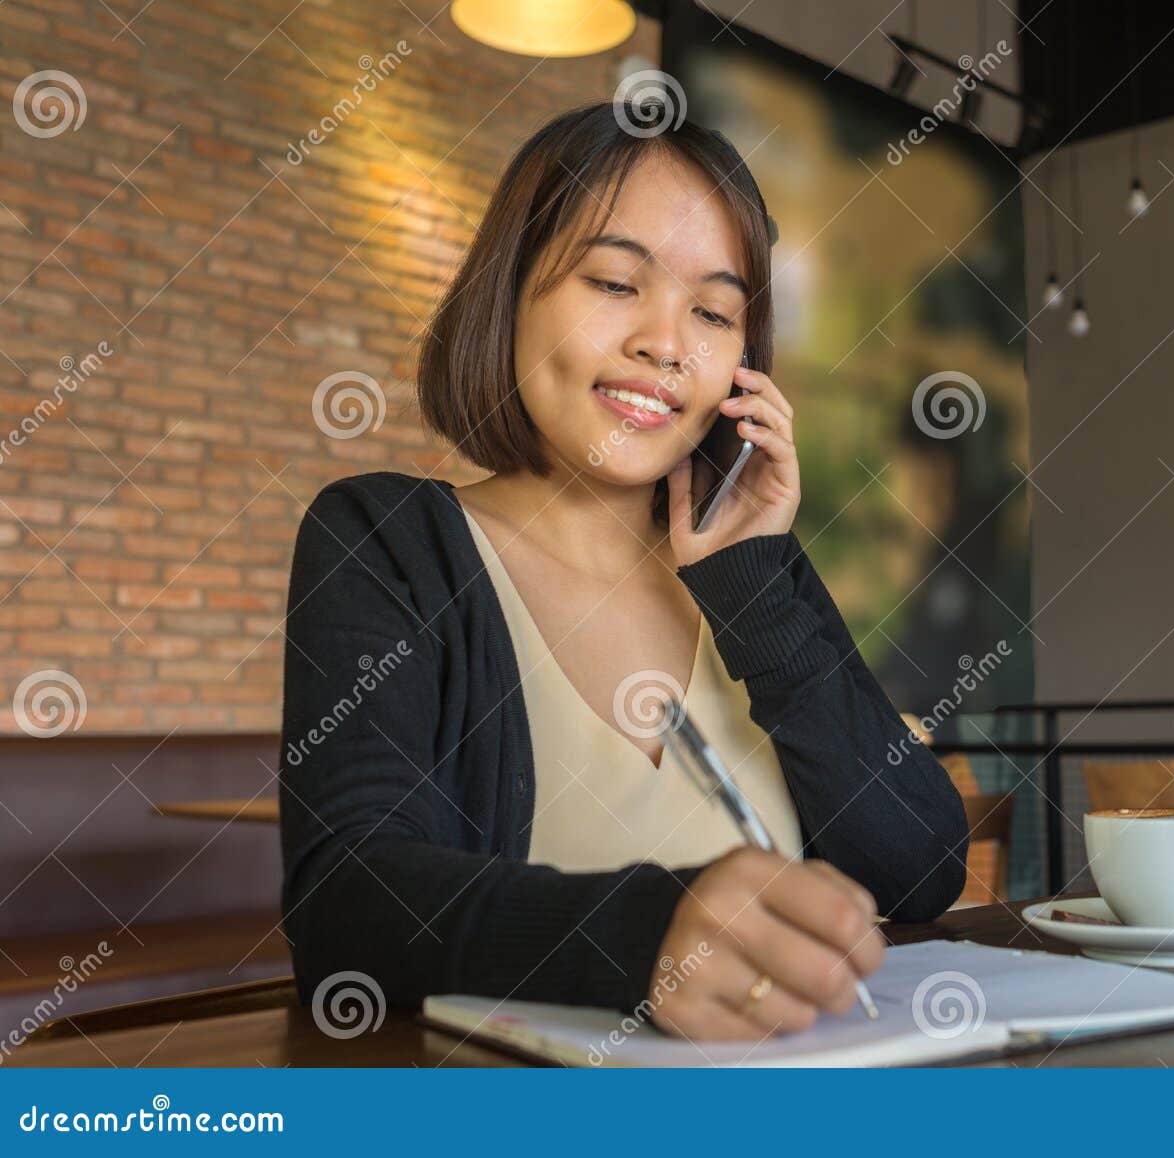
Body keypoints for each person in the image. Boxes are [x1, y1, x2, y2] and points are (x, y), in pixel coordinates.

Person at [277, 100, 969, 1042]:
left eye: (715, 312)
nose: (668, 343)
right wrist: (647, 940)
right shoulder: (386, 539)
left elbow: (922, 865)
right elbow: (344, 908)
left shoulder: (752, 565)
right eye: (614, 284)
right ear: (510, 289)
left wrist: (755, 587)